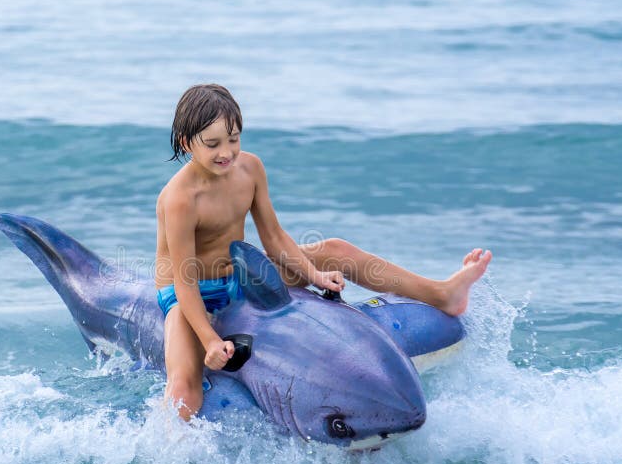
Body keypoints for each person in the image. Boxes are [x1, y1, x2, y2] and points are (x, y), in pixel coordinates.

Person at [155, 84, 492, 420]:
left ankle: (443, 293)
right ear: (187, 143)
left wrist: (314, 275)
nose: (226, 152)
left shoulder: (249, 169)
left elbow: (273, 236)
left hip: (242, 276)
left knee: (335, 250)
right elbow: (185, 280)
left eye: (234, 139)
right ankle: (165, 457)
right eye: (213, 144)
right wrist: (210, 340)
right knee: (185, 385)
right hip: (190, 290)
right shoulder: (180, 199)